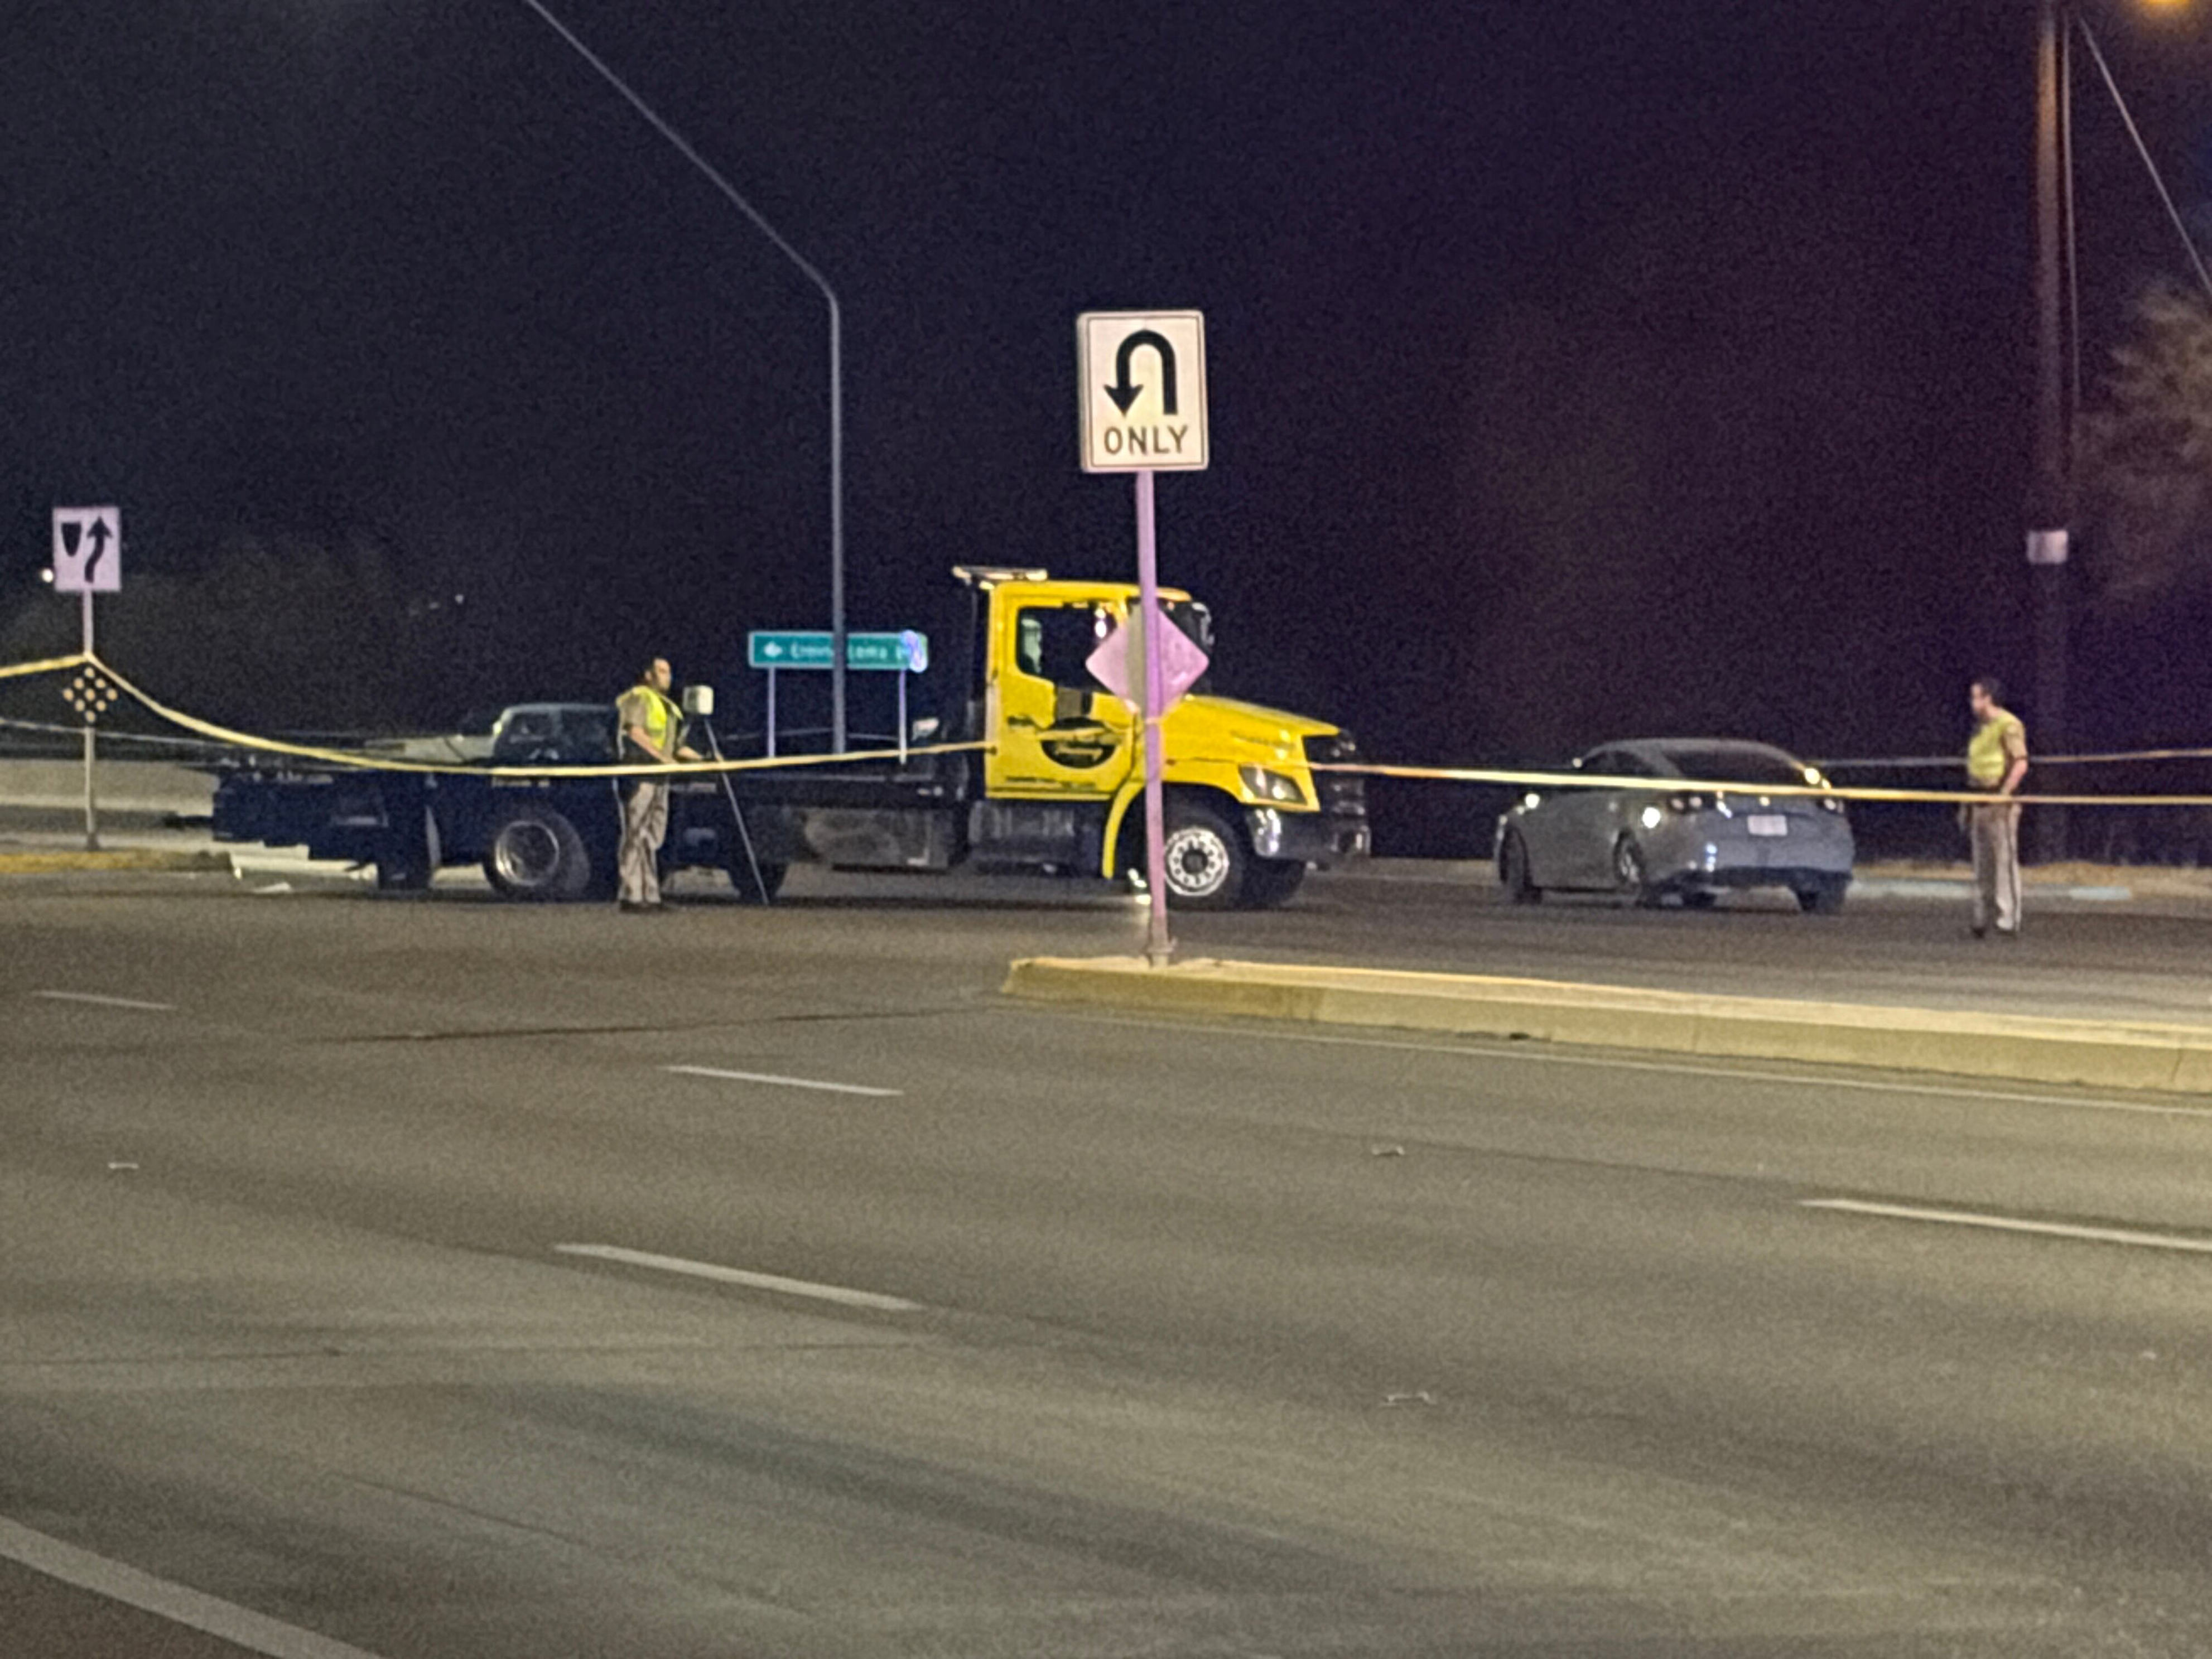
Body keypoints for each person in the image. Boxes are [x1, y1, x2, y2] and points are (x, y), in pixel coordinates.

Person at [615, 658, 700, 913]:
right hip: (641, 777)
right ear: (648, 675)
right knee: (635, 835)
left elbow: (675, 747)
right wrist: (663, 759)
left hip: (661, 778)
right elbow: (635, 732)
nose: (668, 677)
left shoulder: (668, 707)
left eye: (669, 672)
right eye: (662, 672)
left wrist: (704, 758)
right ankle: (631, 895)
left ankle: (651, 895)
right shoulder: (639, 697)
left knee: (652, 838)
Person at [1964, 674, 2029, 939]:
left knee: (2004, 862)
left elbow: (2021, 763)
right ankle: (1981, 917)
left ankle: (2008, 918)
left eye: (1975, 696)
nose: (1971, 702)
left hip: (1999, 802)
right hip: (1977, 798)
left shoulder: (2009, 725)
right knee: (1982, 864)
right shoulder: (1979, 727)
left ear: (1987, 698)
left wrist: (2004, 794)